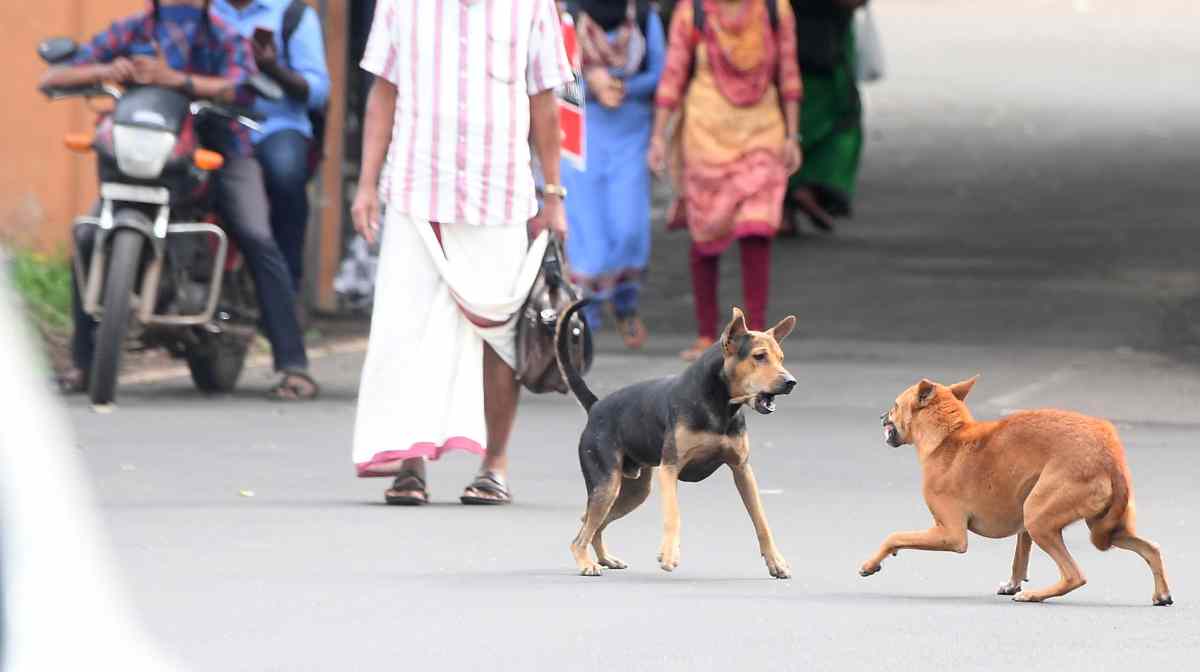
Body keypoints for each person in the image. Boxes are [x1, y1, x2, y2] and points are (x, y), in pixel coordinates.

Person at [350, 0, 573, 505]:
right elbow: (383, 93)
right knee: (407, 329)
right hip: (415, 190)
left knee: (499, 335)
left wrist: (554, 194)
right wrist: (366, 184)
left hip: (497, 194)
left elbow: (544, 100)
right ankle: (410, 463)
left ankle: (494, 464)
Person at [41, 0, 317, 400]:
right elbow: (58, 75)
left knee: (256, 235)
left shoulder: (223, 33)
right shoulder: (132, 30)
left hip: (222, 148)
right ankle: (83, 364)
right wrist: (107, 70)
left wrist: (177, 79)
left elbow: (240, 84)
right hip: (149, 152)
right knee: (87, 236)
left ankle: (293, 365)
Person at [648, 0, 803, 361]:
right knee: (705, 235)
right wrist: (658, 136)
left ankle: (757, 336)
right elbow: (672, 76)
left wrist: (793, 136)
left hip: (762, 131)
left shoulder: (774, 10)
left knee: (757, 230)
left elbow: (789, 74)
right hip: (705, 137)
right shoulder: (693, 11)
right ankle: (706, 336)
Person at [561, 0, 665, 349]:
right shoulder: (568, 14)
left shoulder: (645, 16)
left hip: (631, 134)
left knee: (629, 227)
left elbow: (660, 74)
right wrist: (591, 83)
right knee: (587, 230)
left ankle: (625, 304)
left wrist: (619, 86)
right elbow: (550, 72)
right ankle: (585, 318)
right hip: (581, 134)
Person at [211, 0, 331, 292]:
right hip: (213, 124)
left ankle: (286, 288)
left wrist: (273, 69)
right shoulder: (205, 11)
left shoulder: (293, 15)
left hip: (275, 125)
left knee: (285, 174)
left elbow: (318, 91)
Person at [784, 0, 866, 234]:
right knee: (841, 124)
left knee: (783, 123)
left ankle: (783, 207)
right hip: (826, 50)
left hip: (782, 41)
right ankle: (808, 188)